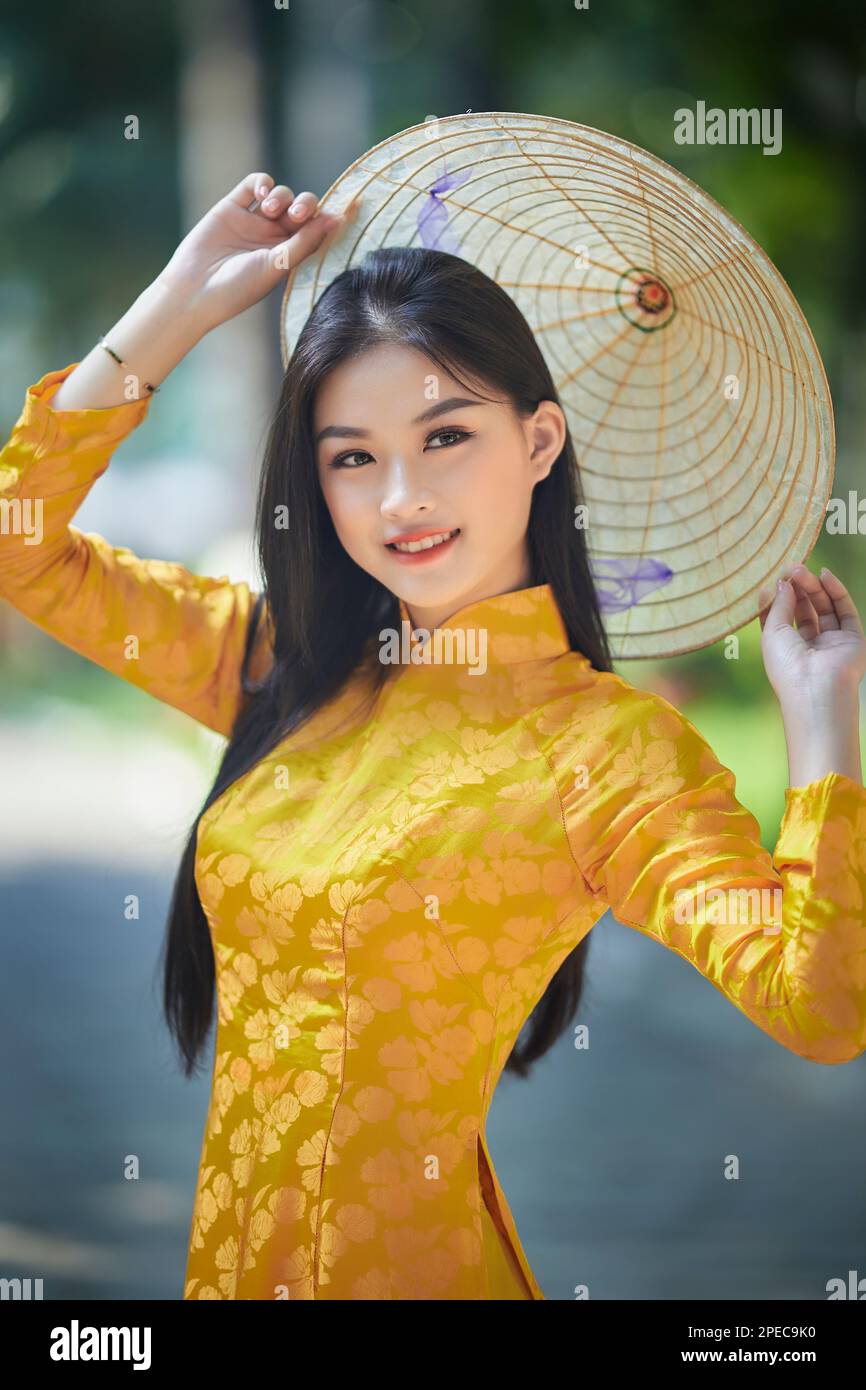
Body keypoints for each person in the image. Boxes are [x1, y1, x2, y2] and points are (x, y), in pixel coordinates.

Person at [1, 171, 865, 1302]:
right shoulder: (289, 668)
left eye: (445, 435)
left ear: (540, 437)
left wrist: (820, 726)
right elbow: (21, 544)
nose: (399, 496)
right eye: (351, 455)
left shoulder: (600, 751)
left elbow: (820, 1004)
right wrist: (179, 301)